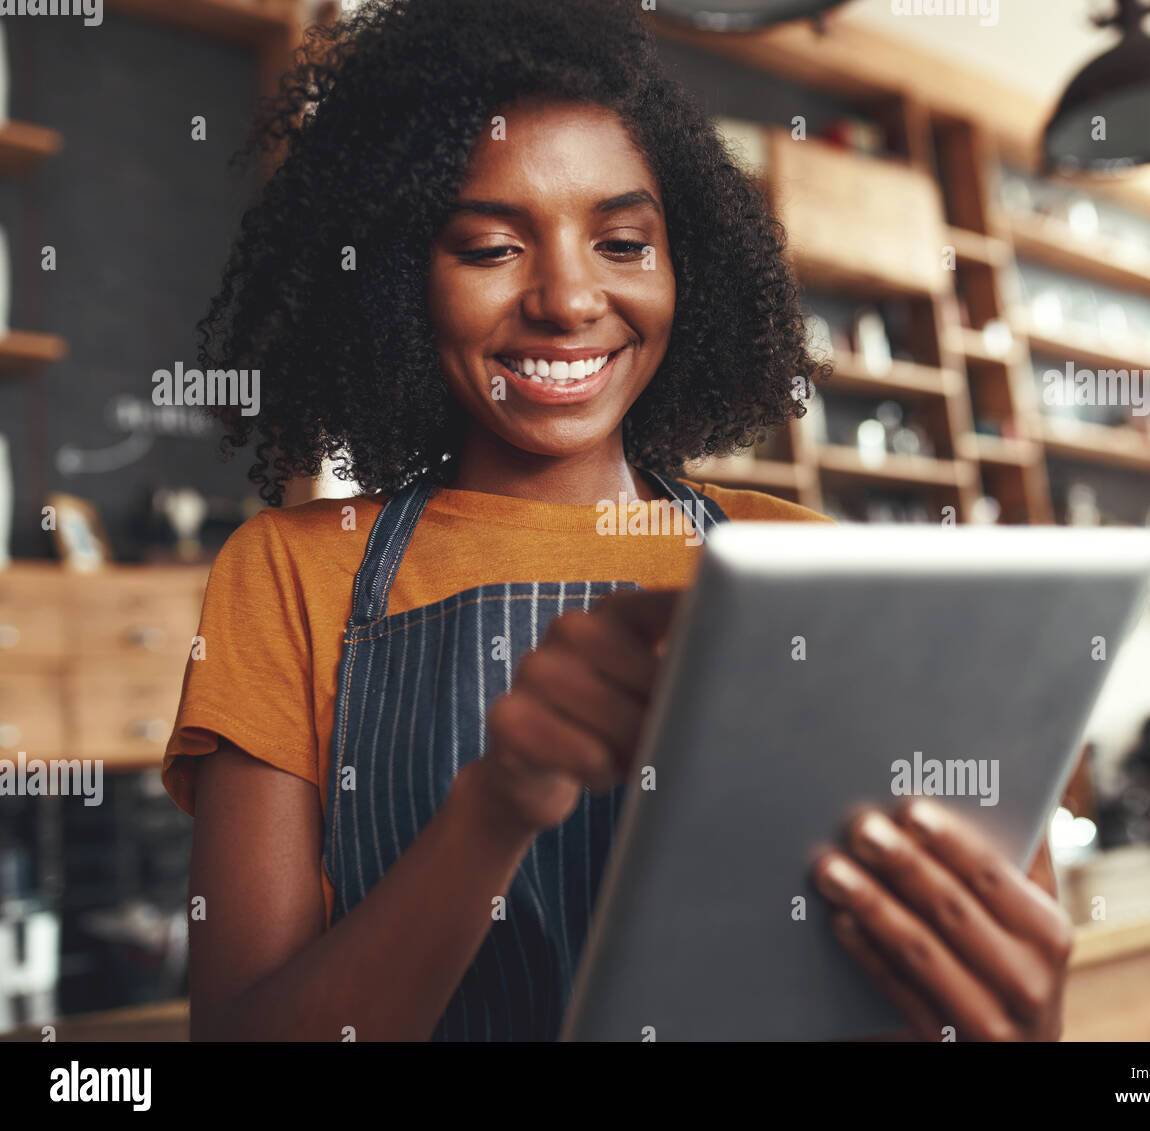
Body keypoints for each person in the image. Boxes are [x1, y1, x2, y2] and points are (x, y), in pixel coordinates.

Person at [162, 0, 1072, 1042]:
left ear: (688, 266)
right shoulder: (291, 576)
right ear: (398, 284)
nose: (568, 298)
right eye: (492, 247)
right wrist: (497, 805)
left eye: (624, 241)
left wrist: (1016, 1018)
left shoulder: (800, 562)